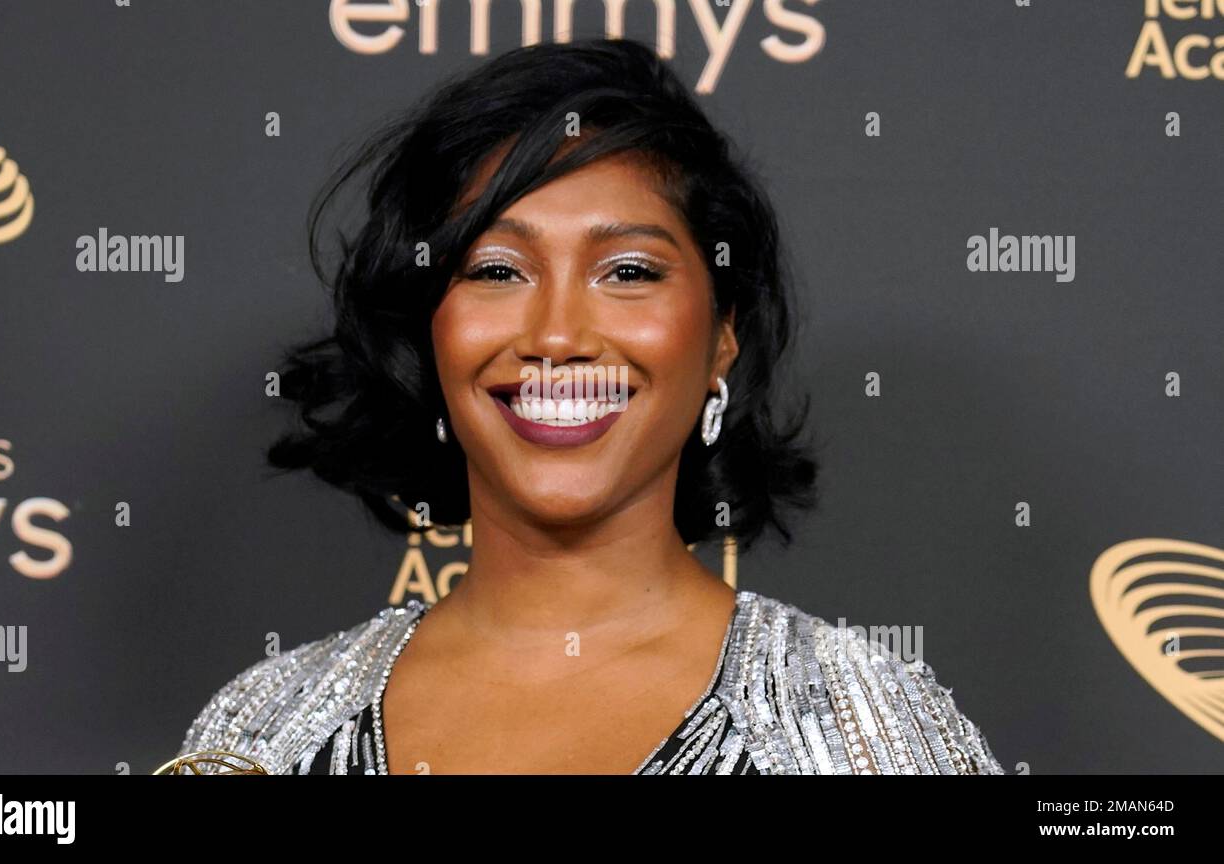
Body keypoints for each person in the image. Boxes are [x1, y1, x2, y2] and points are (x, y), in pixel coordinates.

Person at [177, 37, 1003, 775]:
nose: (558, 336)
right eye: (496, 270)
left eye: (628, 272)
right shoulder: (265, 730)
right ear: (428, 331)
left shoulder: (865, 731)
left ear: (723, 334)